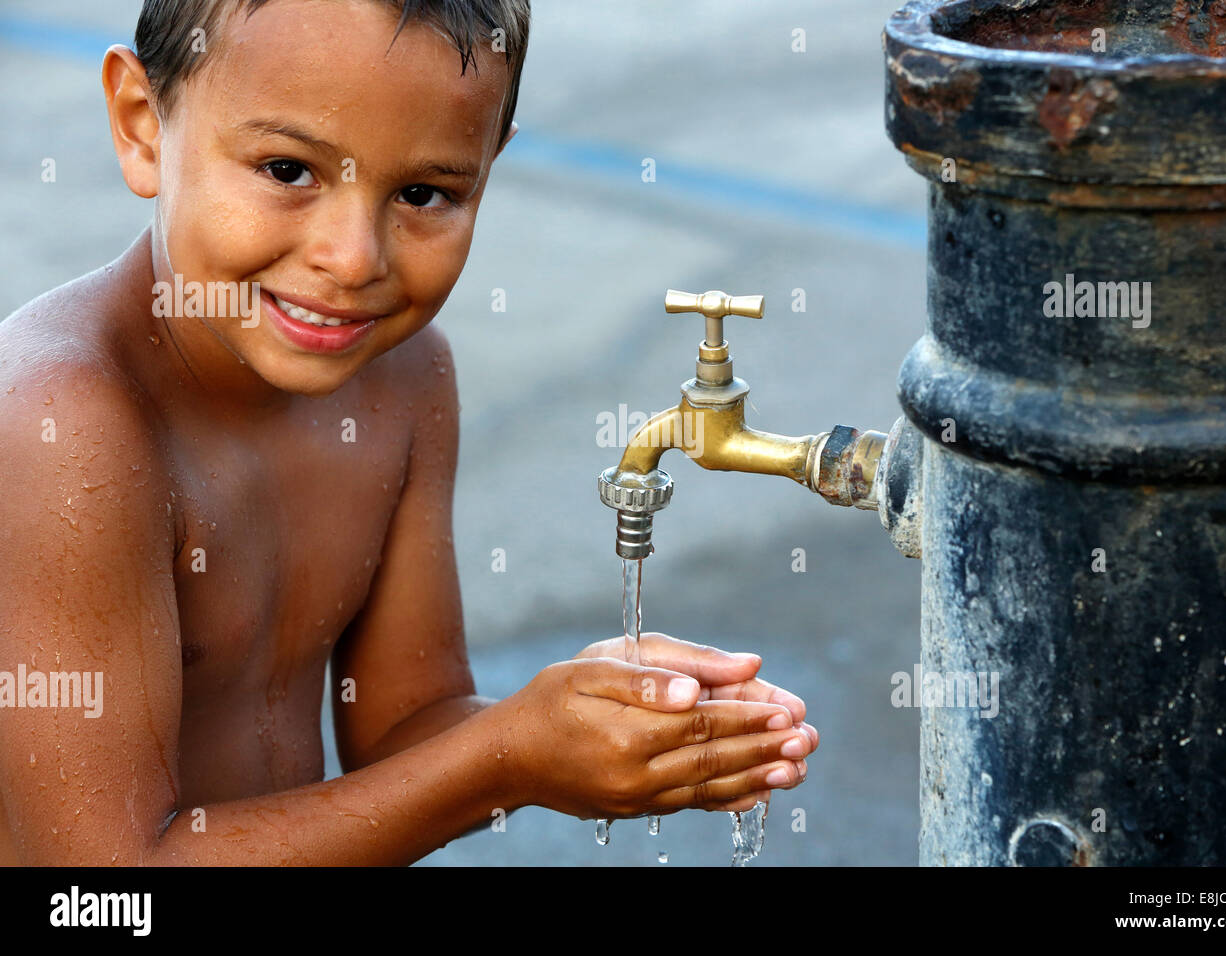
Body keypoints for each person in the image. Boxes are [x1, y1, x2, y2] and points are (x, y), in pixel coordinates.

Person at [0, 0, 817, 865]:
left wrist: (580, 722)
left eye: (423, 193)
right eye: (287, 169)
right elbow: (96, 895)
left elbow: (407, 727)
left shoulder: (404, 378)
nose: (354, 260)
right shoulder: (66, 426)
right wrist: (507, 755)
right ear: (141, 125)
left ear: (488, 169)